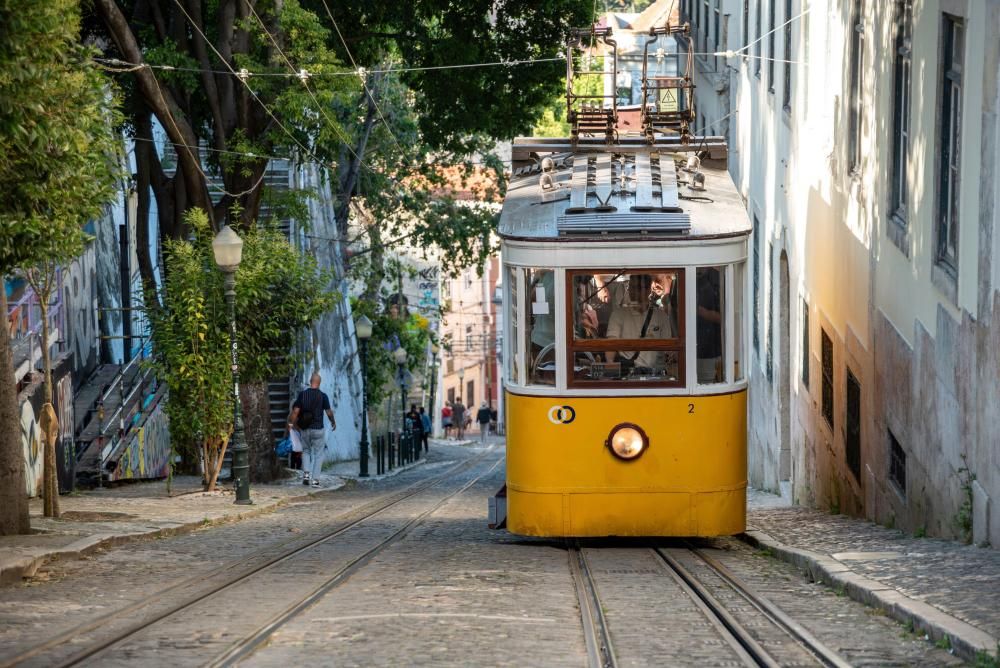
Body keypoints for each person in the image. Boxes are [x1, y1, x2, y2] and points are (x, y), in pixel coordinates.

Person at [606, 274, 675, 372]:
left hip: (655, 373)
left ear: (648, 290)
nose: (632, 291)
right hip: (628, 371)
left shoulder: (661, 316)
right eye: (631, 287)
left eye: (637, 288)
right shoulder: (618, 314)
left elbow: (668, 347)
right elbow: (611, 342)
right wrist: (610, 362)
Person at [288, 373, 336, 487]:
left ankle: (306, 475)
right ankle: (315, 480)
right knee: (318, 454)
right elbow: (329, 412)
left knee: (306, 451)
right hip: (318, 429)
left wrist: (290, 423)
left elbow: (295, 411)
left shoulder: (302, 395)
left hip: (305, 429)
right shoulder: (323, 396)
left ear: (310, 382)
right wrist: (333, 422)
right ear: (319, 383)